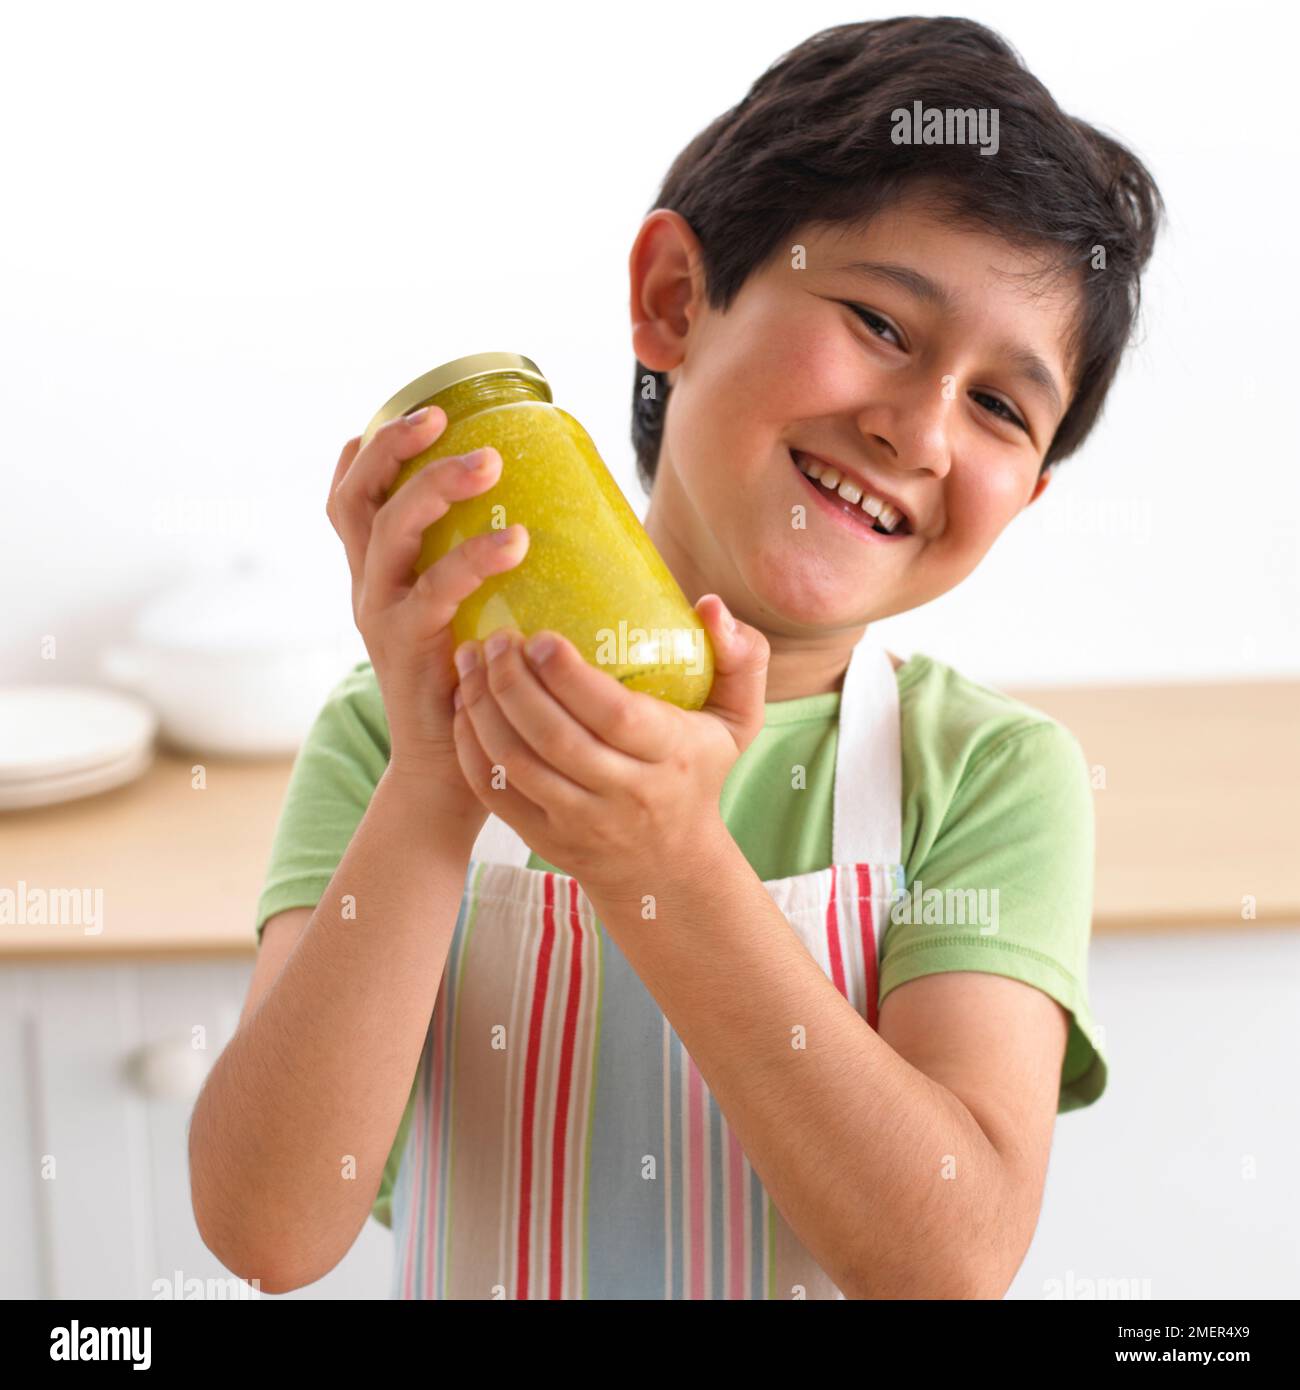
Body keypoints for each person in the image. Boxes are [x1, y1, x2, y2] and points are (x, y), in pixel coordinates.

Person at [189, 15, 1164, 1299]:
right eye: (880, 322)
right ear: (672, 301)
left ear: (1023, 495)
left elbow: (946, 1257)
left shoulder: (985, 776)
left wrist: (668, 863)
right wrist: (436, 777)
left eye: (997, 405)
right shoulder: (394, 734)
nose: (919, 431)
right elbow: (268, 1228)